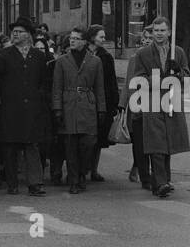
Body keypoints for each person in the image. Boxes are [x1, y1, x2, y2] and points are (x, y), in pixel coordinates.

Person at [128, 16, 190, 198]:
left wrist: (177, 73)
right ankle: (161, 182)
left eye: (163, 30)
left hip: (171, 101)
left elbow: (186, 75)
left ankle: (163, 181)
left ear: (169, 32)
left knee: (168, 143)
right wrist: (161, 79)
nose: (159, 34)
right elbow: (138, 80)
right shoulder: (143, 54)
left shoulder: (177, 52)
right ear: (152, 33)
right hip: (152, 102)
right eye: (156, 31)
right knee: (156, 144)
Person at [0, 17, 50, 197]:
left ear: (28, 35)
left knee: (32, 146)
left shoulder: (38, 55)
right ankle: (12, 183)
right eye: (14, 31)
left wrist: (40, 98)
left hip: (32, 108)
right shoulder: (4, 54)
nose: (15, 34)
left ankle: (35, 184)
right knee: (10, 147)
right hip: (10, 108)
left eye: (19, 31)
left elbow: (44, 81)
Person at [52, 27, 105, 193]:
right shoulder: (62, 61)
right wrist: (57, 109)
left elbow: (100, 87)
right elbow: (57, 87)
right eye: (71, 38)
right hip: (69, 105)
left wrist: (101, 109)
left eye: (76, 38)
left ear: (84, 41)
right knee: (70, 145)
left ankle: (82, 173)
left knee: (88, 143)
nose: (72, 41)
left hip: (87, 105)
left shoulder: (95, 61)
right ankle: (74, 180)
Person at [87, 25, 121, 182]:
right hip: (84, 100)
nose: (103, 39)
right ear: (92, 37)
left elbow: (111, 81)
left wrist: (114, 104)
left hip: (102, 101)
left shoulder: (106, 57)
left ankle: (93, 169)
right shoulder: (82, 53)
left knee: (98, 139)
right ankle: (81, 169)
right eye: (101, 36)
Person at [127, 25, 153, 185]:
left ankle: (144, 169)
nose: (148, 41)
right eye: (146, 38)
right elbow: (131, 82)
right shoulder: (136, 58)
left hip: (155, 104)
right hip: (138, 104)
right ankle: (141, 170)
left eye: (151, 38)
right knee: (139, 141)